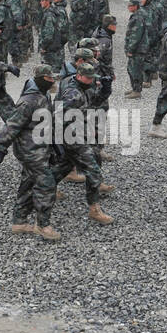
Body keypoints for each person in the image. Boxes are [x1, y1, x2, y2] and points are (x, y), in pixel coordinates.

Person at [0, 64, 61, 241]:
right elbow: (12, 125)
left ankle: (19, 221)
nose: (52, 82)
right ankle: (42, 225)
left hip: (41, 147)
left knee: (28, 182)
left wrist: (55, 144)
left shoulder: (43, 95)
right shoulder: (28, 101)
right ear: (40, 80)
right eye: (49, 79)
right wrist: (0, 149)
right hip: (30, 150)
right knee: (46, 184)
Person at [53, 63, 115, 225]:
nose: (90, 81)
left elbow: (95, 101)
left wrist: (106, 89)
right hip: (73, 138)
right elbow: (57, 116)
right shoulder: (73, 94)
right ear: (79, 76)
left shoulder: (84, 88)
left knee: (64, 167)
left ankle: (42, 187)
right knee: (93, 171)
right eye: (87, 78)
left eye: (92, 78)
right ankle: (94, 209)